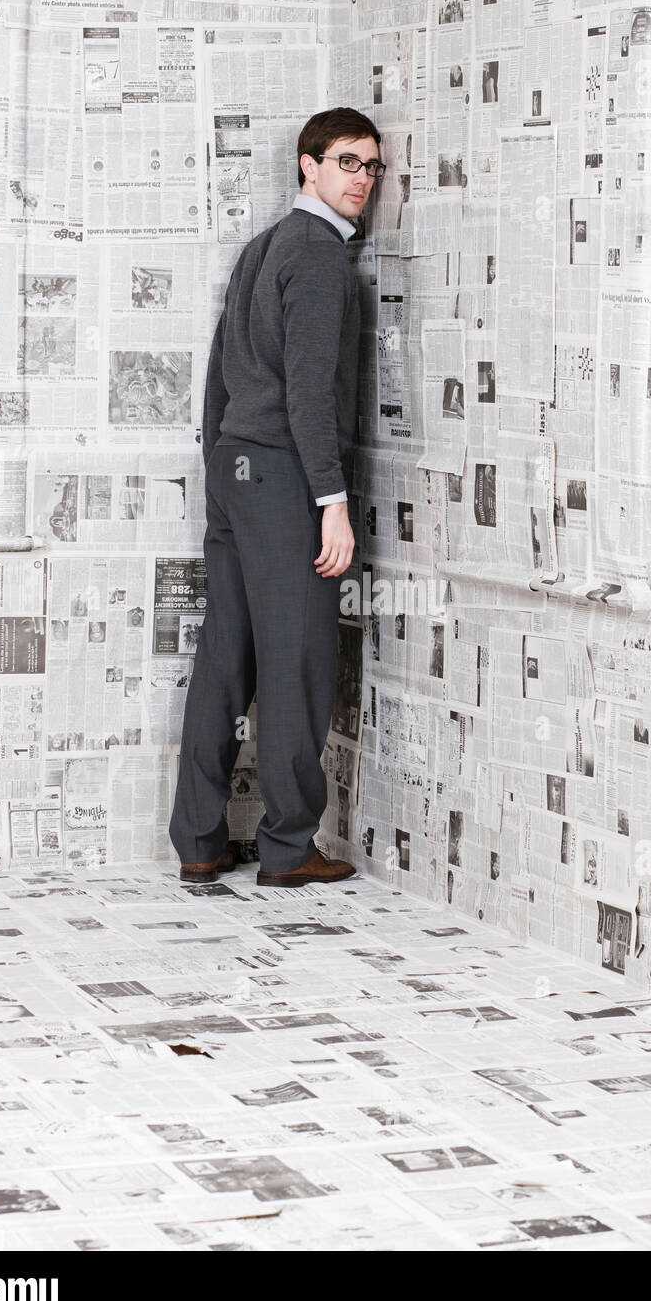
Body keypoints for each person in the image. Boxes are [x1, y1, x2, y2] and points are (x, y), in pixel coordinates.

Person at [169, 108, 384, 889]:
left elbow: (219, 377)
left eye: (372, 167)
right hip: (284, 474)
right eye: (348, 163)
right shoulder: (319, 256)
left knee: (226, 654)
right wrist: (331, 499)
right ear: (309, 165)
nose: (362, 179)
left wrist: (220, 466)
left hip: (235, 469)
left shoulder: (262, 247)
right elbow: (308, 395)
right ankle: (290, 849)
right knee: (295, 662)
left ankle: (198, 840)